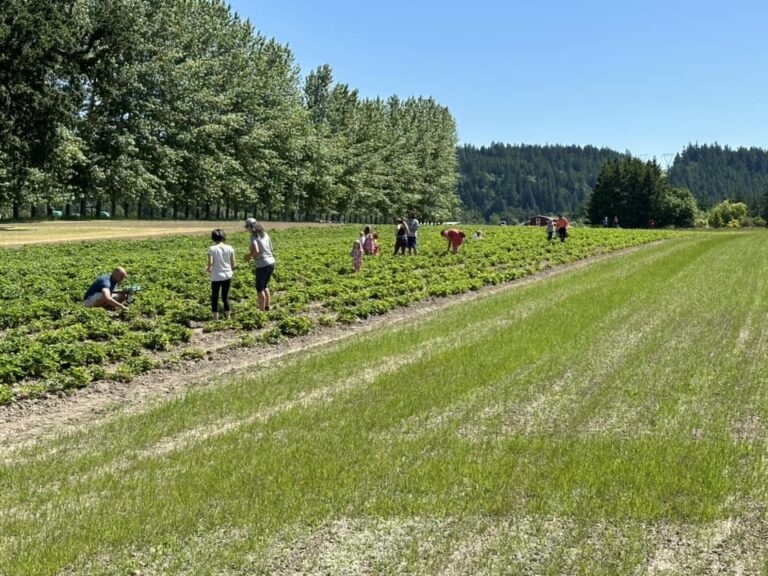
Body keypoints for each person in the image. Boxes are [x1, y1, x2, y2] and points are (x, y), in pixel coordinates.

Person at [243, 218, 276, 311]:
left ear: (251, 227)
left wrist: (248, 256)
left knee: (259, 288)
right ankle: (267, 307)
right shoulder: (265, 234)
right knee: (265, 286)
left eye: (247, 227)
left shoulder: (253, 236)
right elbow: (271, 249)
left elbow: (256, 251)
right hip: (271, 262)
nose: (247, 229)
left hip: (262, 265)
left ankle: (261, 311)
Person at [207, 228, 235, 321]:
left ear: (213, 238)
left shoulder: (212, 249)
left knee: (215, 297)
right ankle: (228, 317)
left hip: (216, 276)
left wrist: (208, 268)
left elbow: (211, 263)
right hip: (227, 275)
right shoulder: (230, 248)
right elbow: (233, 265)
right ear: (223, 237)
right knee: (225, 297)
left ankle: (216, 319)